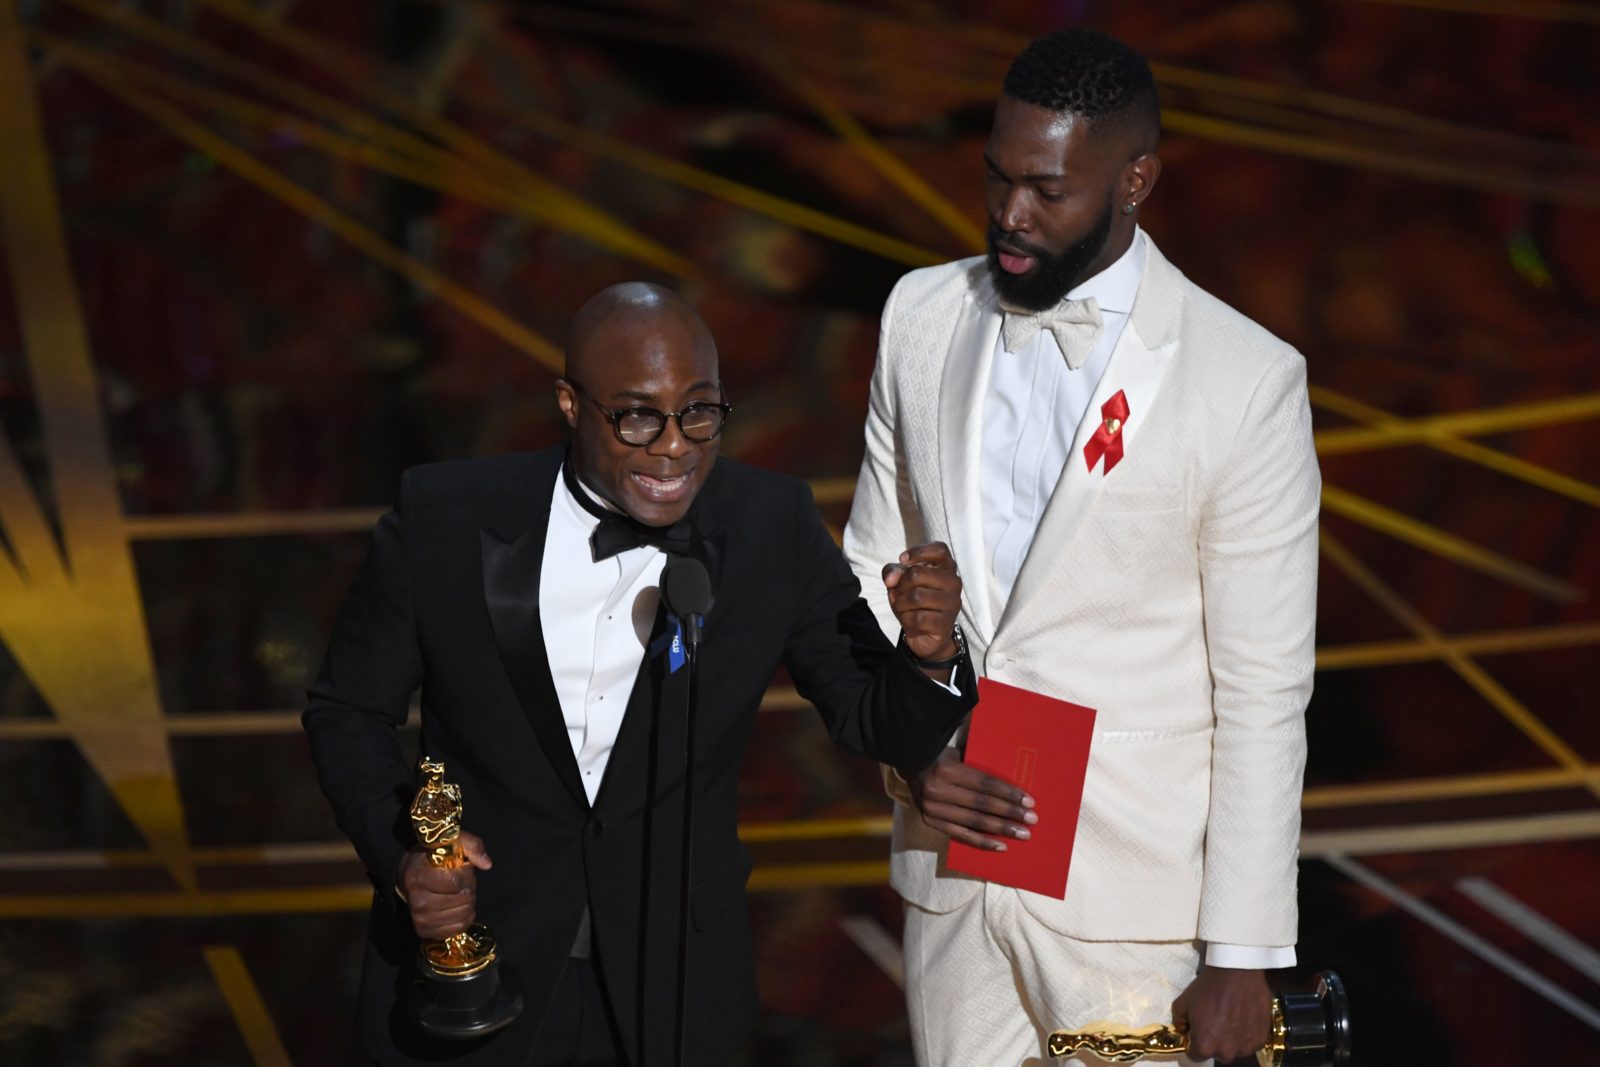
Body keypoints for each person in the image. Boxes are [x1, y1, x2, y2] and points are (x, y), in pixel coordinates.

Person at [304, 282, 977, 1066]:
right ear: (568, 403)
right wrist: (404, 856)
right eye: (636, 417)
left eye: (700, 411)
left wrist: (928, 655)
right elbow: (347, 709)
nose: (674, 447)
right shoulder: (443, 517)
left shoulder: (771, 525)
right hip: (475, 966)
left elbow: (874, 717)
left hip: (678, 985)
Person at [841, 28, 1320, 1067]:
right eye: (996, 178)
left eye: (1046, 190)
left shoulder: (1244, 378)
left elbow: (1262, 687)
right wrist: (915, 747)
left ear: (1135, 178)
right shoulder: (921, 312)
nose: (1010, 214)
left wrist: (1241, 952)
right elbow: (865, 573)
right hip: (953, 866)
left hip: (1136, 903)